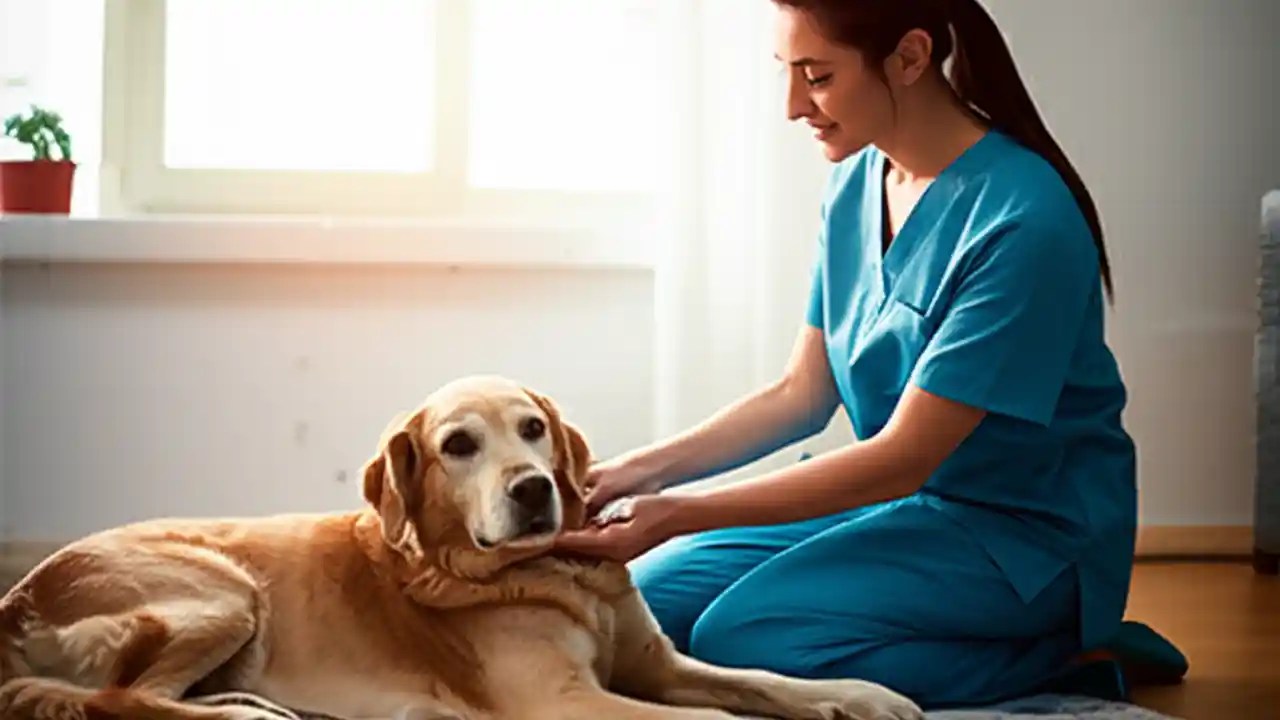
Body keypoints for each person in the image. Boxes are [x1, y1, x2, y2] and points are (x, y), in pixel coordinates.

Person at [555, 0, 1144, 710]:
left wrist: (677, 511)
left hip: (1022, 540)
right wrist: (626, 475)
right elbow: (800, 394)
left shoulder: (1024, 220)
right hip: (909, 508)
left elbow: (903, 457)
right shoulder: (857, 183)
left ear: (911, 56)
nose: (793, 106)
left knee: (743, 641)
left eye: (818, 76)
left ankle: (1061, 655)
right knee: (643, 611)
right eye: (787, 73)